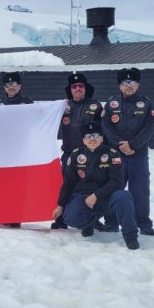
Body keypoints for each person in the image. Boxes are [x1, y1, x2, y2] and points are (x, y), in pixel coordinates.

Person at [51, 122, 139, 250]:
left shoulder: (112, 154)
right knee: (70, 218)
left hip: (107, 197)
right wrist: (60, 205)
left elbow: (116, 182)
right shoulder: (76, 155)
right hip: (83, 197)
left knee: (123, 196)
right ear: (83, 140)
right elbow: (69, 182)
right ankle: (90, 222)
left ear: (102, 138)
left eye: (95, 135)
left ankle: (131, 237)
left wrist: (96, 195)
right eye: (88, 136)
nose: (92, 139)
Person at [102, 67, 154, 236]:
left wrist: (132, 145)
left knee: (139, 190)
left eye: (132, 83)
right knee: (113, 189)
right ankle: (111, 222)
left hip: (138, 156)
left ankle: (143, 223)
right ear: (120, 86)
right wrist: (121, 145)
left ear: (137, 85)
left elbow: (149, 129)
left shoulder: (147, 104)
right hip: (116, 156)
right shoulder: (111, 103)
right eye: (125, 83)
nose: (129, 86)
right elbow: (106, 126)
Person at [52, 71, 104, 229]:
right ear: (71, 89)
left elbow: (103, 131)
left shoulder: (95, 106)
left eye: (80, 86)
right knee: (65, 186)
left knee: (89, 187)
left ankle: (92, 219)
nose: (77, 88)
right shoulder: (62, 106)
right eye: (74, 86)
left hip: (89, 155)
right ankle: (61, 219)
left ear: (85, 88)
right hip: (68, 154)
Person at [0, 71, 33, 227]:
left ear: (19, 86)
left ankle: (16, 216)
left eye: (13, 84)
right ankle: (5, 214)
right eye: (7, 85)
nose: (10, 88)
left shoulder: (28, 104)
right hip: (4, 151)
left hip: (21, 151)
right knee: (4, 185)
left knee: (19, 186)